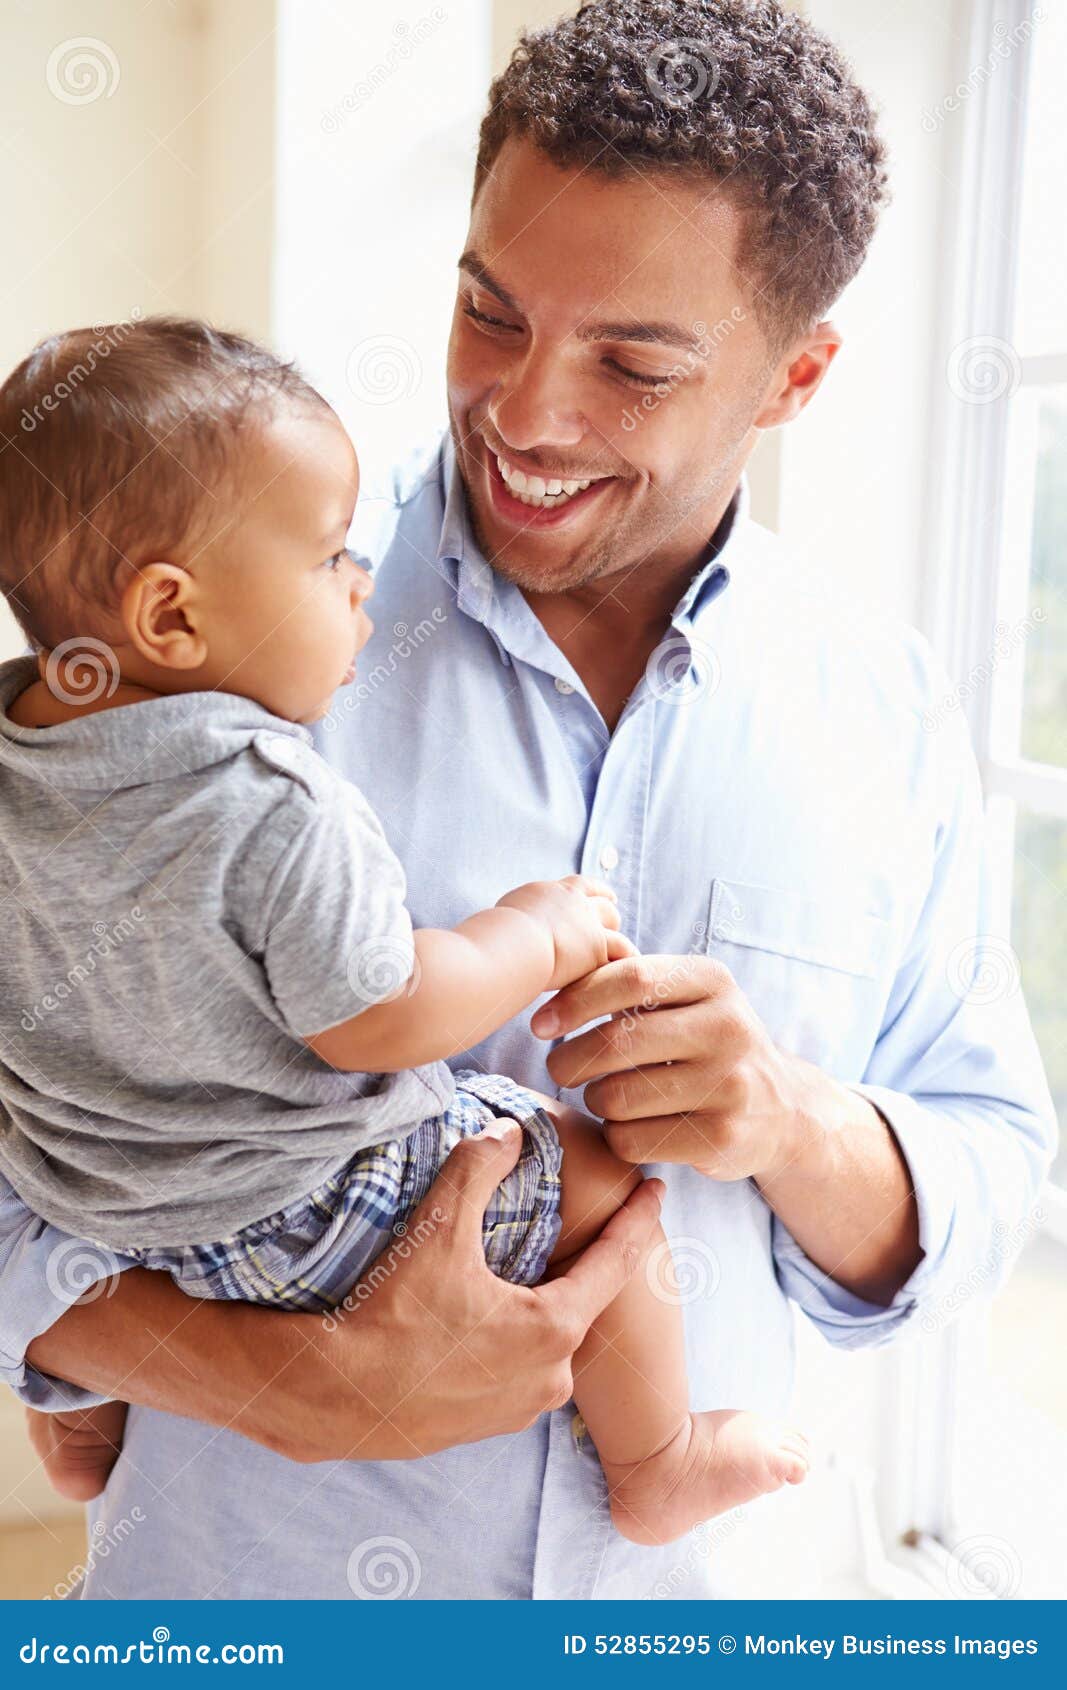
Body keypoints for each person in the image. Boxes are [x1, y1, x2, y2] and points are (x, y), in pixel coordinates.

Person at [1, 0, 1054, 1600]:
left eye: (633, 362)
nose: (525, 411)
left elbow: (988, 1179)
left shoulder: (881, 705)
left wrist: (790, 1119)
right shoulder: (206, 664)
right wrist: (265, 1380)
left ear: (796, 376)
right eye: (490, 314)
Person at [0, 315, 810, 1548]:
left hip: (98, 1208)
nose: (361, 581)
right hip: (299, 1216)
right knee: (590, 1173)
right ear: (170, 618)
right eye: (329, 561)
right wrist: (529, 935)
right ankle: (660, 1457)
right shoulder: (268, 798)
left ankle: (78, 1415)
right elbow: (377, 1016)